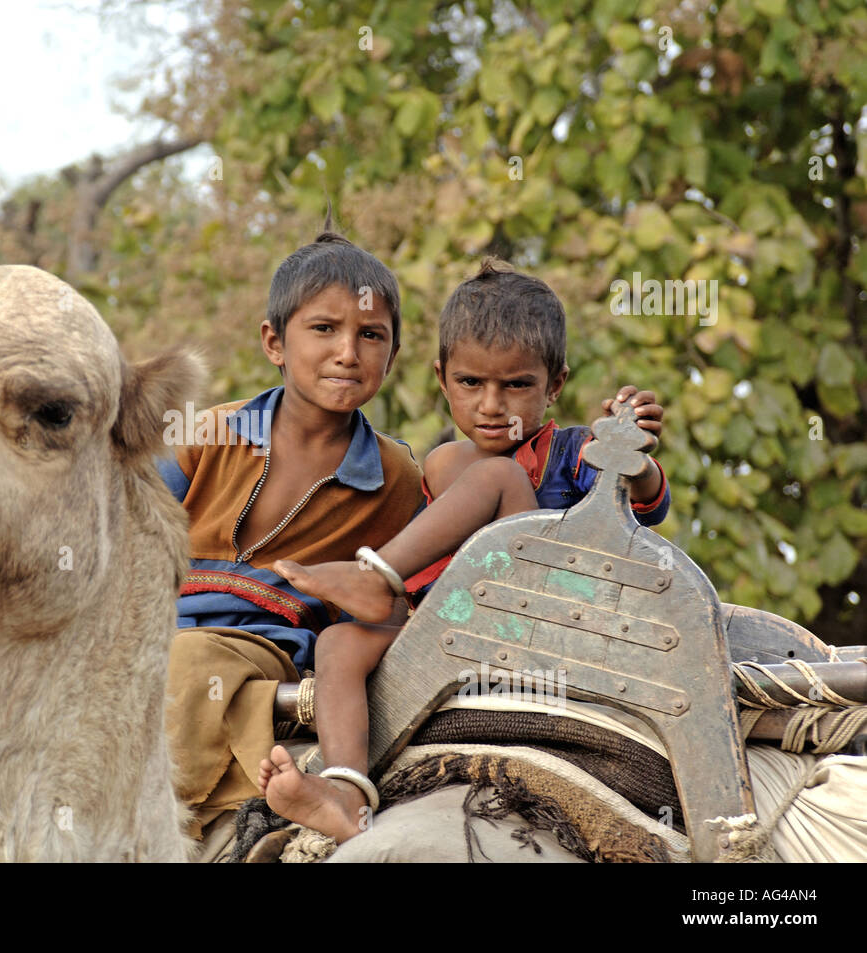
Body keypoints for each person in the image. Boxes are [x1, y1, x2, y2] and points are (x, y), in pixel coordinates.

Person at [259, 259, 671, 844]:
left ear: (554, 385)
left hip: (543, 615)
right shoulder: (443, 464)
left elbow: (644, 507)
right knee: (339, 644)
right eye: (471, 384)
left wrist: (635, 456)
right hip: (453, 622)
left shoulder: (576, 450)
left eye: (517, 385)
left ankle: (374, 575)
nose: (491, 406)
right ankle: (345, 790)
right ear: (442, 378)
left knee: (496, 477)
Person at [157, 224, 426, 841]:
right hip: (161, 621)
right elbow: (131, 527)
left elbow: (409, 592)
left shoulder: (394, 476)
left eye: (371, 335)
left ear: (391, 355)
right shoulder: (211, 432)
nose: (347, 352)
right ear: (274, 342)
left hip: (269, 644)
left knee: (188, 662)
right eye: (324, 329)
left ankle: (166, 825)